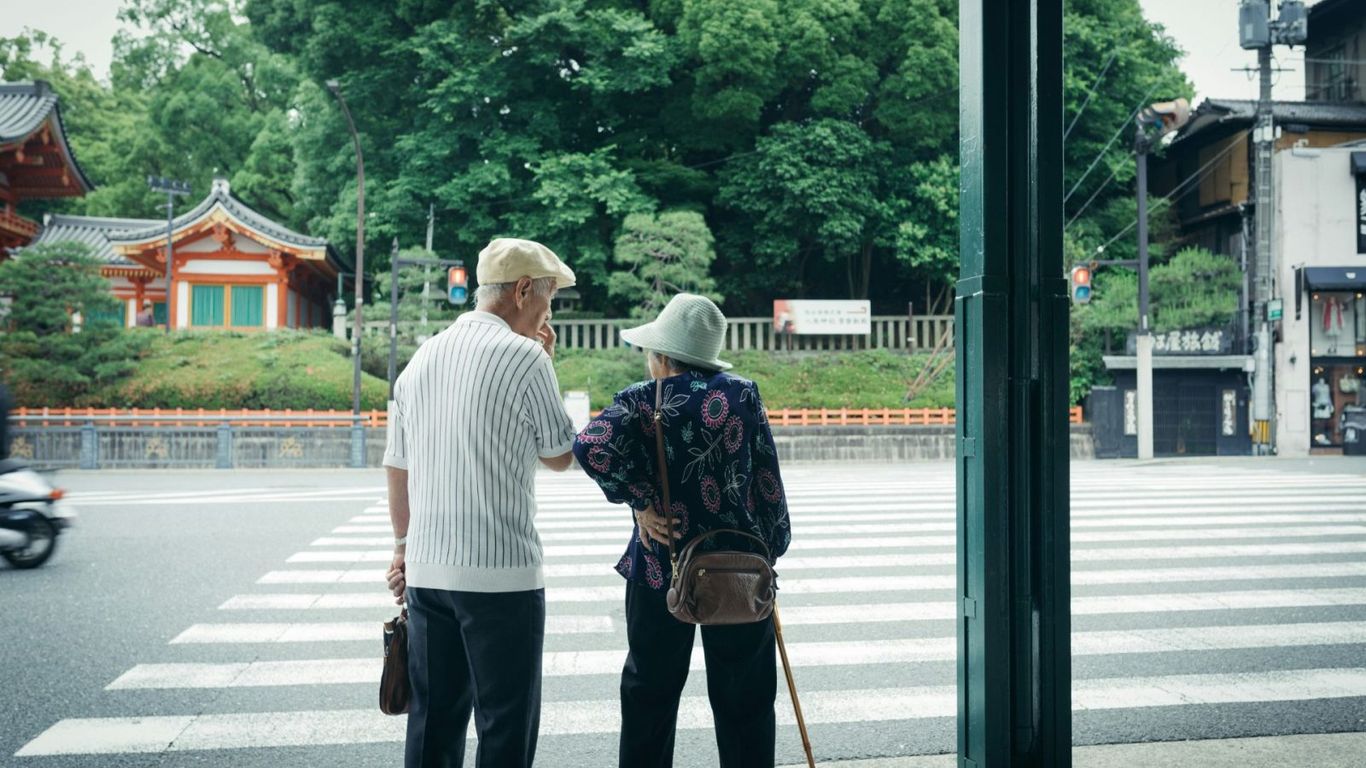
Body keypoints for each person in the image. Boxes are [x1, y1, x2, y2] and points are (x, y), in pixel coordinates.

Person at [572, 293, 791, 768]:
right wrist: (773, 549)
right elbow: (767, 478)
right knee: (747, 702)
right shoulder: (742, 394)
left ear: (663, 356)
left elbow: (589, 446)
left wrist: (640, 501)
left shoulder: (641, 399)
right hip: (739, 568)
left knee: (650, 691)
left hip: (661, 565)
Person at [383, 238, 578, 768]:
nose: (547, 313)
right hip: (501, 578)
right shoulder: (525, 357)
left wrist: (402, 548)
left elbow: (396, 465)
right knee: (505, 725)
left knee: (433, 722)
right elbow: (560, 455)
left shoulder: (421, 357)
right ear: (521, 291)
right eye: (548, 299)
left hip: (427, 573)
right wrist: (546, 365)